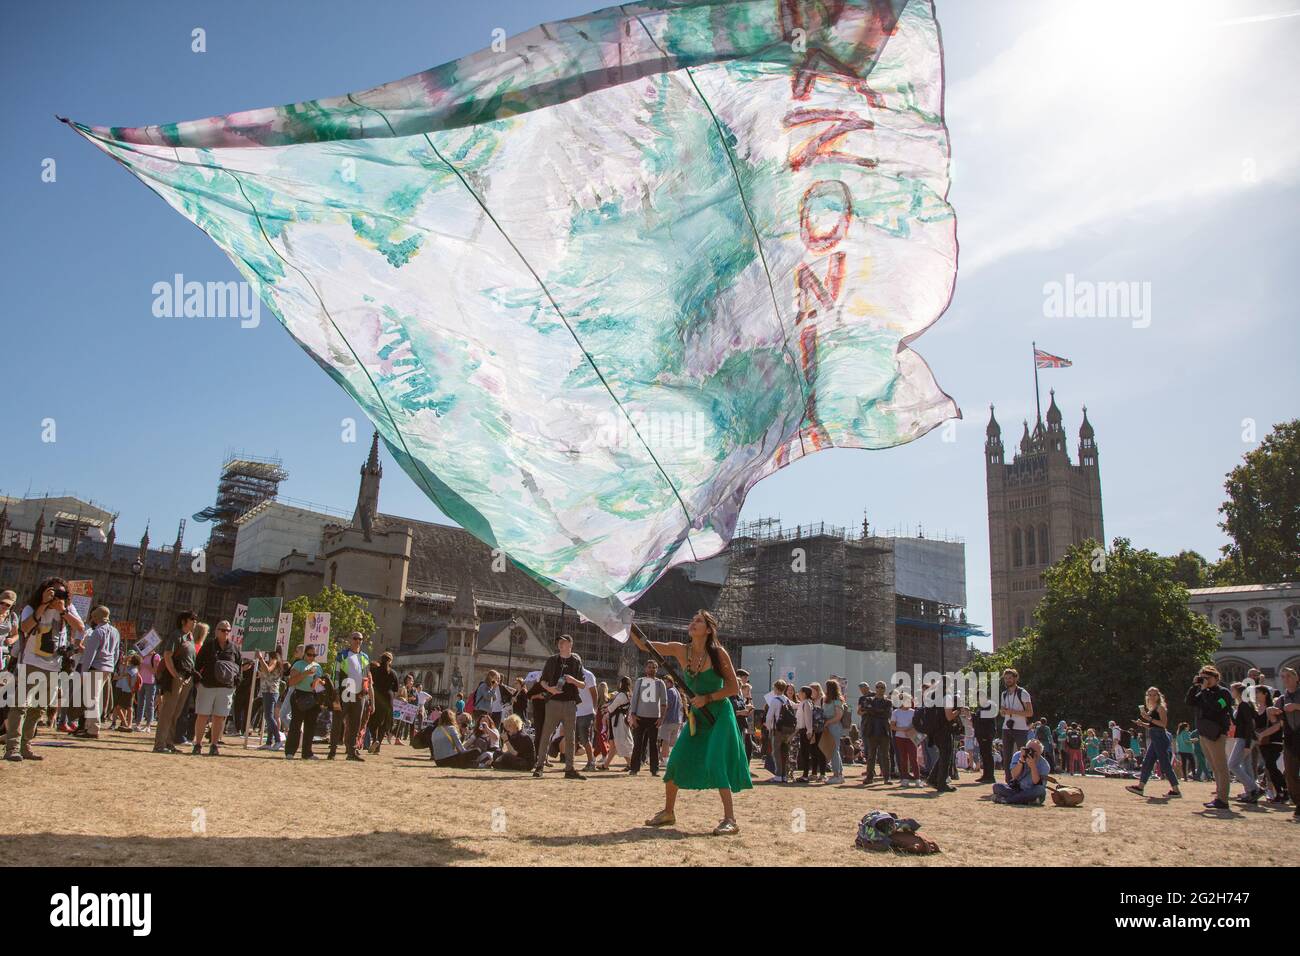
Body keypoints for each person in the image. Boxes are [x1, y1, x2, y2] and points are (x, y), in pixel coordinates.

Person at [633, 611, 752, 835]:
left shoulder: (718, 653)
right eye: (693, 619)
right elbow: (646, 645)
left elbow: (733, 689)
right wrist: (626, 624)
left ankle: (730, 819)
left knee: (716, 762)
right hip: (697, 716)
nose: (693, 623)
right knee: (676, 760)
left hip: (718, 715)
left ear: (708, 629)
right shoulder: (681, 649)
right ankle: (668, 812)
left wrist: (708, 697)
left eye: (698, 621)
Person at [531, 635, 586, 779]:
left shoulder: (576, 661)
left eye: (563, 642)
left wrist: (573, 680)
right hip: (553, 702)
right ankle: (539, 766)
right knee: (546, 734)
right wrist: (550, 690)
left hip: (570, 703)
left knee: (570, 737)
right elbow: (542, 681)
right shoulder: (552, 660)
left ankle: (569, 768)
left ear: (570, 644)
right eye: (559, 642)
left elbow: (583, 684)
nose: (560, 644)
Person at [1185, 665, 1233, 810]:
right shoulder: (1202, 692)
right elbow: (1189, 702)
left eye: (1208, 678)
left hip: (1216, 732)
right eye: (1203, 677)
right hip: (1204, 732)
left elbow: (1216, 707)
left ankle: (1223, 799)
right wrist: (1195, 687)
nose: (1205, 681)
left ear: (1216, 678)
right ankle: (1218, 796)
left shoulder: (1224, 693)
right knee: (1213, 766)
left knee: (1220, 766)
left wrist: (1205, 690)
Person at [191, 620, 240, 756]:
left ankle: (214, 745)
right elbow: (197, 664)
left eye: (228, 630)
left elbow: (239, 667)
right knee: (203, 715)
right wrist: (198, 681)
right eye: (223, 630)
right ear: (216, 631)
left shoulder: (234, 648)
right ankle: (198, 744)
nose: (226, 633)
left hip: (226, 688)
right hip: (207, 686)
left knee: (219, 717)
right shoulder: (208, 646)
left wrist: (236, 683)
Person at [152, 610, 197, 755]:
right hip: (176, 678)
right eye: (192, 619)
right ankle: (159, 744)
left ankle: (169, 742)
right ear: (184, 621)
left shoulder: (190, 637)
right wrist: (175, 675)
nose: (195, 622)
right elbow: (167, 656)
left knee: (176, 713)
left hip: (186, 678)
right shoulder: (176, 635)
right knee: (167, 712)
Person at [1125, 687, 1181, 798]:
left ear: (1158, 696)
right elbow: (1153, 726)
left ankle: (1176, 790)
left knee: (1164, 764)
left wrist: (1148, 718)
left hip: (1160, 737)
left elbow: (1163, 724)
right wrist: (1143, 724)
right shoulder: (1153, 708)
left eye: (1154, 695)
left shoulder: (1160, 708)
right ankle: (1140, 787)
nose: (1152, 697)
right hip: (1155, 736)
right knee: (1147, 762)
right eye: (1149, 695)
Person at [75, 605, 120, 739]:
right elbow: (117, 653)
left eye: (93, 617)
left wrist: (84, 671)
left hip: (96, 667)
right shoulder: (115, 632)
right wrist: (112, 667)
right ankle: (89, 726)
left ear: (97, 618)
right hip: (108, 668)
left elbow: (90, 654)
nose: (92, 619)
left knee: (92, 699)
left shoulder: (97, 632)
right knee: (97, 698)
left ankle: (93, 729)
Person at [330, 632, 369, 761]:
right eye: (355, 638)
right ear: (350, 640)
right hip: (345, 690)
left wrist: (365, 690)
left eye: (360, 639)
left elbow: (366, 676)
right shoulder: (342, 655)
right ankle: (333, 751)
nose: (358, 641)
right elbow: (335, 674)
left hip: (359, 694)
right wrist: (335, 692)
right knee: (338, 721)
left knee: (355, 723)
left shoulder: (364, 657)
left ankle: (352, 751)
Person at [1268, 666, 1300, 819]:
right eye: (1283, 677)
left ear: (1296, 678)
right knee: (1291, 774)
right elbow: (1276, 721)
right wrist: (1272, 713)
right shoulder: (1281, 699)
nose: (1285, 679)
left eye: (1288, 676)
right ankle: (1298, 803)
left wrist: (1297, 707)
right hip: (1290, 739)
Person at [284, 644, 325, 759]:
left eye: (314, 655)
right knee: (296, 724)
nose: (312, 657)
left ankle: (307, 752)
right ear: (305, 654)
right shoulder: (298, 664)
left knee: (310, 725)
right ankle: (290, 751)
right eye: (309, 654)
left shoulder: (317, 666)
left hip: (313, 696)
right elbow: (291, 682)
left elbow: (319, 681)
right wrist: (305, 674)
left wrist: (320, 682)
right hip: (299, 695)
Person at [628, 659, 667, 776]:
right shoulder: (639, 681)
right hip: (639, 717)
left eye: (653, 667)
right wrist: (633, 715)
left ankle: (654, 769)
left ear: (657, 669)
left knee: (653, 744)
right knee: (637, 744)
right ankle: (634, 768)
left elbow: (664, 702)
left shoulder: (660, 683)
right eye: (649, 667)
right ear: (645, 669)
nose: (651, 669)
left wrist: (661, 718)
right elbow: (634, 699)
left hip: (654, 718)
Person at [1226, 680, 1262, 804]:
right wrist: (1230, 711)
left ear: (1238, 692)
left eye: (1232, 690)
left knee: (1233, 764)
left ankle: (1255, 788)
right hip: (1246, 738)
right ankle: (1250, 793)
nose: (1231, 692)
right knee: (1246, 766)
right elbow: (1238, 723)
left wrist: (1247, 744)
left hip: (1244, 738)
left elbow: (1248, 725)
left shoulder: (1244, 705)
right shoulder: (1244, 705)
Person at [1254, 684, 1287, 804]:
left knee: (1271, 765)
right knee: (1270, 767)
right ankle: (1281, 792)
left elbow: (1278, 726)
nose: (1255, 695)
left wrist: (1262, 734)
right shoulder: (1256, 709)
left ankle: (1285, 790)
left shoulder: (1270, 708)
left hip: (1274, 741)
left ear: (1265, 694)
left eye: (1258, 692)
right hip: (1263, 742)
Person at [992, 737, 1050, 805]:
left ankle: (1007, 800)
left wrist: (1033, 766)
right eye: (1029, 750)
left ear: (1040, 753)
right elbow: (1014, 776)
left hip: (1032, 790)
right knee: (997, 786)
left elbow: (1036, 782)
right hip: (1017, 789)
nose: (1031, 753)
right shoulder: (1018, 755)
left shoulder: (1044, 765)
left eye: (1034, 752)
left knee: (1040, 790)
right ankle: (1025, 800)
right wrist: (1021, 761)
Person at [999, 669, 1033, 782]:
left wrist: (1012, 711)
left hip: (1020, 728)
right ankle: (1009, 781)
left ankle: (1024, 779)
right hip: (1006, 728)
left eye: (1010, 678)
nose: (1008, 680)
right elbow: (1003, 712)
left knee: (1023, 755)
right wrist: (1003, 711)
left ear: (1015, 678)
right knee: (1007, 757)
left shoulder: (1023, 693)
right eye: (1006, 678)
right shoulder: (1004, 694)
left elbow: (1029, 712)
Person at [859, 680, 894, 785]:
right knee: (871, 756)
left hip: (884, 732)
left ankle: (887, 778)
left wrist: (873, 711)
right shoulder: (869, 699)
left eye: (882, 687)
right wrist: (878, 711)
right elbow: (866, 710)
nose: (880, 689)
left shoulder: (888, 702)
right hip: (871, 731)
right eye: (878, 687)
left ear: (885, 689)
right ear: (875, 688)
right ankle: (869, 777)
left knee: (885, 756)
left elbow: (887, 714)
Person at [367, 651, 400, 754]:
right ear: (390, 661)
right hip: (388, 698)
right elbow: (396, 688)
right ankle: (378, 747)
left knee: (373, 721)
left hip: (377, 697)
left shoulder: (374, 670)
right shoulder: (393, 673)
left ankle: (375, 739)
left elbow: (370, 683)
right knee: (384, 724)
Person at [598, 676, 633, 771]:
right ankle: (605, 766)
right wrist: (607, 707)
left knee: (621, 743)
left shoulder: (622, 695)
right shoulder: (628, 694)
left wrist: (605, 709)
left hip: (619, 721)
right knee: (613, 745)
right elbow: (615, 705)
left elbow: (612, 707)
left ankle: (631, 764)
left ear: (622, 683)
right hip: (619, 720)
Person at [765, 679, 796, 783]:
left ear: (776, 688)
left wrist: (769, 728)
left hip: (777, 729)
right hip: (787, 730)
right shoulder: (787, 700)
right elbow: (795, 707)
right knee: (785, 752)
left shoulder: (774, 700)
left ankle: (778, 775)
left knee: (776, 752)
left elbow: (769, 717)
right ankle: (784, 775)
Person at [572, 662, 599, 772]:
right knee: (572, 739)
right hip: (574, 711)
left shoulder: (588, 675)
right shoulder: (572, 675)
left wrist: (594, 711)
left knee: (584, 739)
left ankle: (591, 762)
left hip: (586, 712)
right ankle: (570, 763)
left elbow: (594, 694)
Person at [890, 692, 920, 787]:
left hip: (911, 737)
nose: (910, 702)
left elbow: (917, 724)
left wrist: (910, 729)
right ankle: (904, 778)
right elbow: (892, 726)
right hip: (900, 738)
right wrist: (903, 729)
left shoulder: (914, 712)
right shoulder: (896, 712)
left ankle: (917, 779)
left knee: (913, 759)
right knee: (903, 759)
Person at [822, 679, 848, 785]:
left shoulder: (837, 700)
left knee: (833, 750)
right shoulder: (827, 699)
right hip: (829, 726)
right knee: (833, 750)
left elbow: (838, 716)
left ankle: (837, 774)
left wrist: (827, 722)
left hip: (834, 727)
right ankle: (838, 774)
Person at [257, 650, 284, 751]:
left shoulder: (274, 660)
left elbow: (268, 670)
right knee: (269, 717)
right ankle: (269, 742)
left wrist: (260, 659)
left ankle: (278, 740)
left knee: (269, 716)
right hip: (267, 691)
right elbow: (267, 673)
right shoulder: (273, 661)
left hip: (270, 692)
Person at [658, 674, 683, 765]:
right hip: (677, 720)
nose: (664, 685)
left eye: (665, 683)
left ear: (669, 682)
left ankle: (664, 760)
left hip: (668, 720)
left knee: (665, 741)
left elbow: (666, 706)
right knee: (672, 742)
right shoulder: (676, 691)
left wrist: (660, 716)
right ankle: (671, 759)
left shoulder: (668, 692)